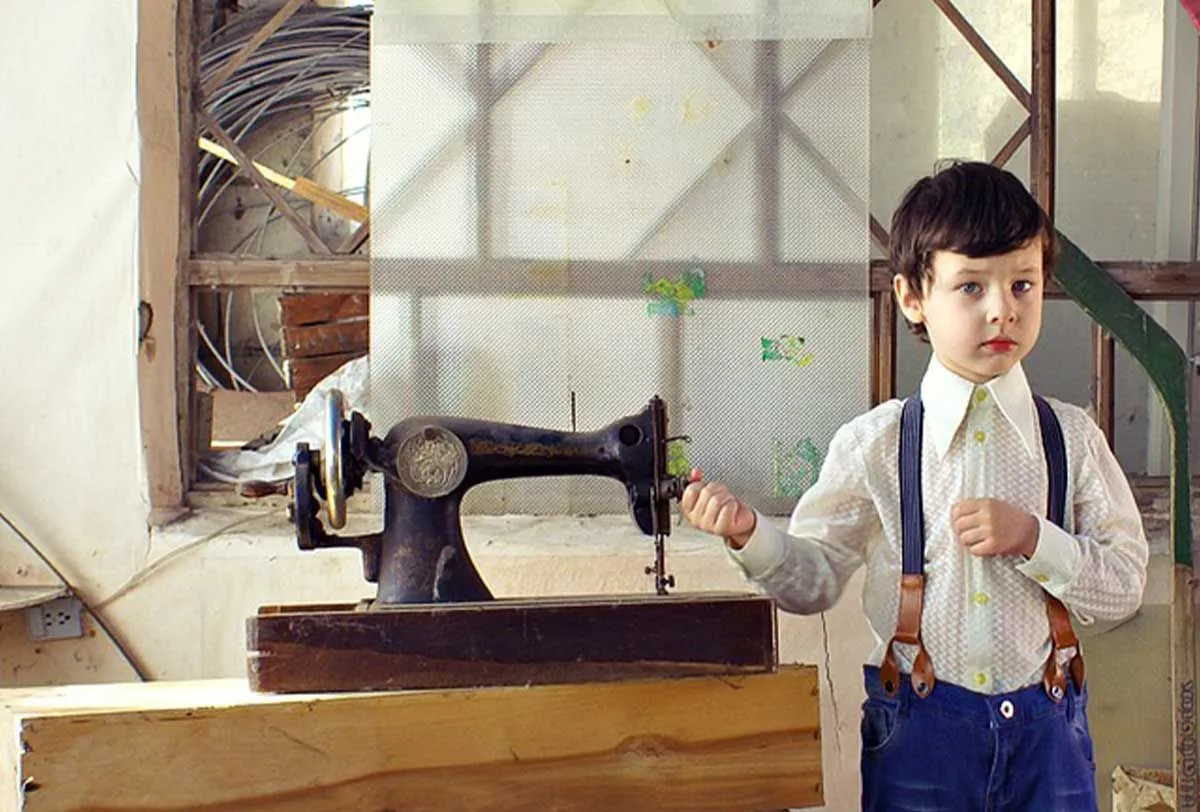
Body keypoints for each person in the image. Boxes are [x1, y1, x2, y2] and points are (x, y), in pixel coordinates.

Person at [680, 160, 1148, 812]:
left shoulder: (1072, 438)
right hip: (922, 736)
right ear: (911, 297)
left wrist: (1036, 539)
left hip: (1049, 737)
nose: (1001, 310)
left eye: (1023, 285)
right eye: (970, 287)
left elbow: (1125, 584)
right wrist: (749, 534)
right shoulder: (876, 444)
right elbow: (813, 582)